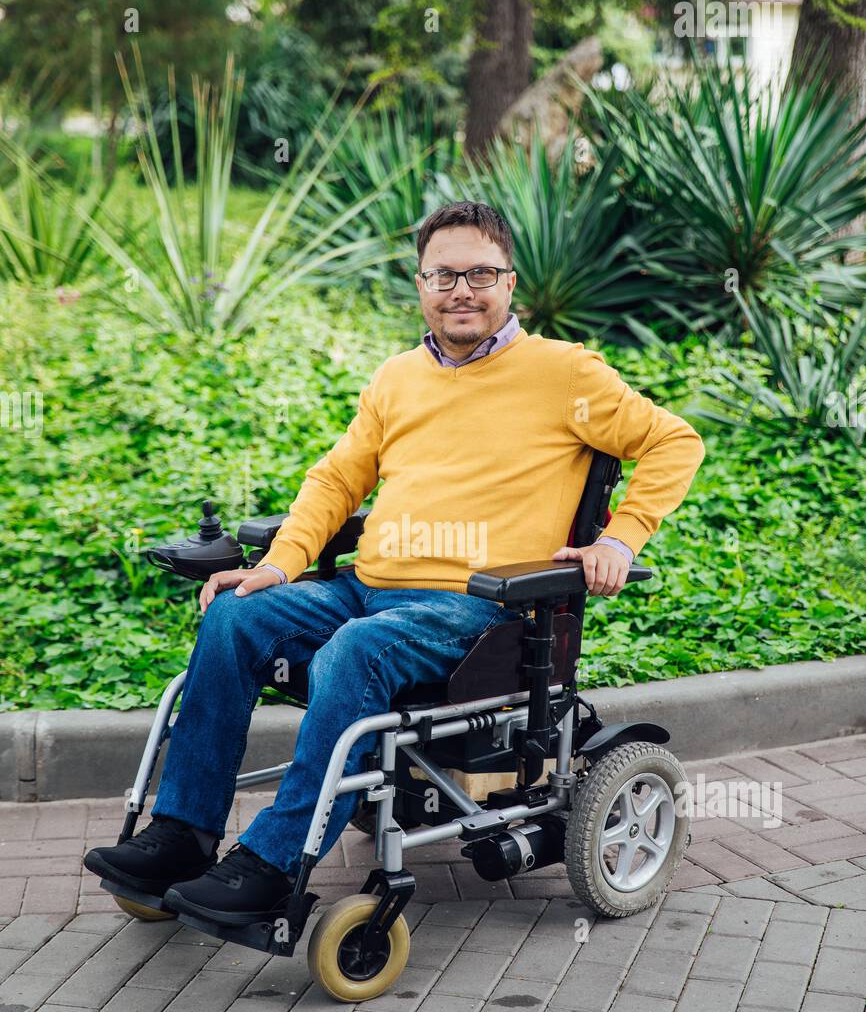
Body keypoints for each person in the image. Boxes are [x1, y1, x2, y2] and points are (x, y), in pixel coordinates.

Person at [84, 200, 705, 926]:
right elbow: (337, 480)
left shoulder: (564, 372)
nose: (461, 290)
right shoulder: (397, 378)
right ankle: (182, 835)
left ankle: (273, 862)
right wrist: (280, 565)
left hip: (477, 607)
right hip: (368, 587)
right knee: (233, 617)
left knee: (356, 651)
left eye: (479, 273)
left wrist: (618, 540)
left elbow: (674, 442)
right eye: (444, 275)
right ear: (420, 285)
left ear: (510, 283)